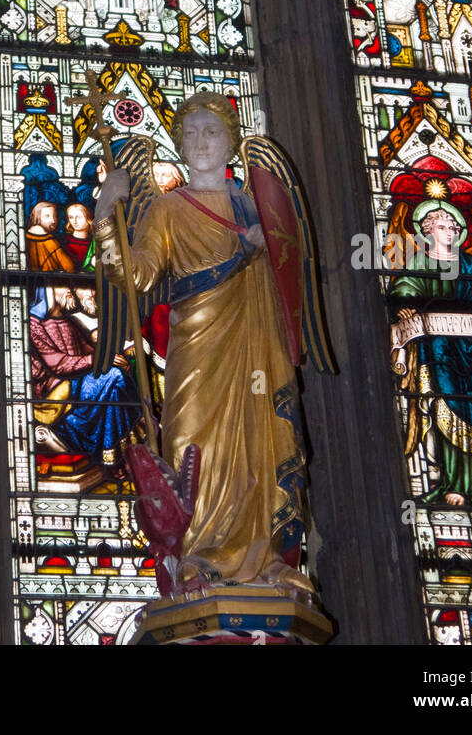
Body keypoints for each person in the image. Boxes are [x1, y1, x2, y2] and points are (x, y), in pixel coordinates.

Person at [95, 91, 312, 594]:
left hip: (257, 346)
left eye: (211, 131)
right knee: (192, 441)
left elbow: (289, 282)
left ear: (232, 142)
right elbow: (135, 277)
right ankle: (199, 555)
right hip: (196, 349)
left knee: (260, 439)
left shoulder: (255, 206)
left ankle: (265, 559)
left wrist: (268, 247)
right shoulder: (169, 210)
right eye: (189, 133)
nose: (199, 142)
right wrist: (106, 217)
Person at [390, 201, 472, 506]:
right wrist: (406, 304)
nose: (451, 232)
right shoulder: (420, 262)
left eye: (455, 228)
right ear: (428, 230)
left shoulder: (468, 264)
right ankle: (454, 481)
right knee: (447, 409)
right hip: (439, 350)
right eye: (444, 226)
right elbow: (402, 289)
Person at [29, 285, 138, 473]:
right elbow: (58, 364)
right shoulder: (33, 324)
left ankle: (116, 456)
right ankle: (117, 454)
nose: (70, 290)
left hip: (75, 384)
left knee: (115, 382)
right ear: (48, 291)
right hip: (56, 394)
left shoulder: (67, 321)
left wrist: (114, 359)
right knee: (113, 378)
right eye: (62, 285)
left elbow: (88, 351)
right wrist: (101, 360)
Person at [26, 202, 75, 275]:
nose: (53, 221)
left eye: (55, 216)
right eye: (47, 216)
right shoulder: (50, 241)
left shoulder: (25, 238)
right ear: (37, 217)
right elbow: (69, 267)